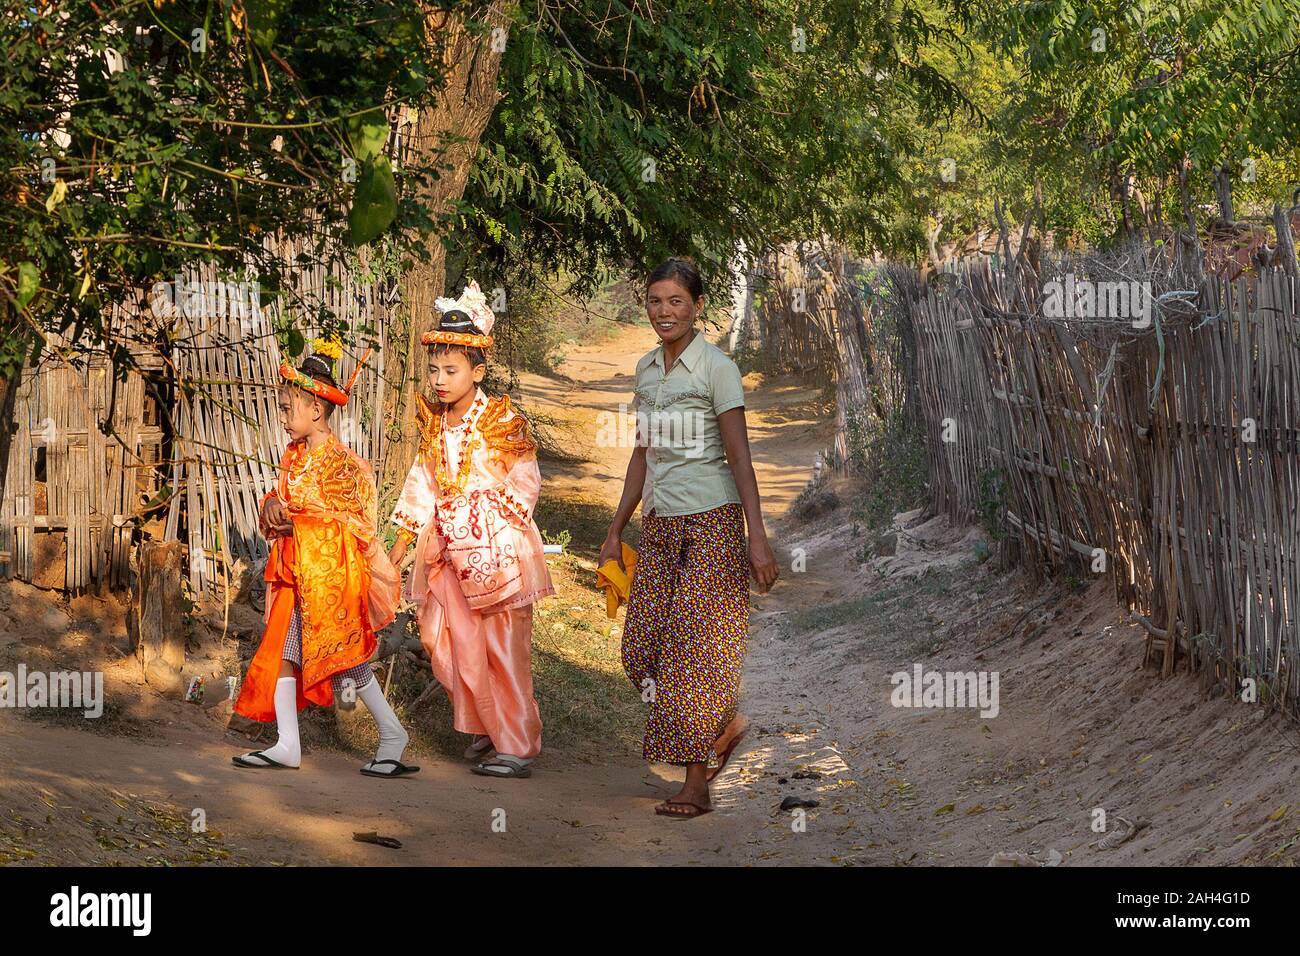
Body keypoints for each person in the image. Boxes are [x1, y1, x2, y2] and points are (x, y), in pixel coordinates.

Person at [599, 257, 779, 819]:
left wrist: (758, 536)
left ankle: (695, 782)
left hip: (714, 519)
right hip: (661, 524)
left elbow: (740, 460)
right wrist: (614, 530)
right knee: (640, 649)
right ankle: (722, 726)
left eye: (676, 301)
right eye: (655, 301)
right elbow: (640, 456)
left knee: (694, 653)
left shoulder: (717, 369)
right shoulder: (646, 371)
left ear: (697, 307)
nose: (664, 311)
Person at [388, 281, 555, 778]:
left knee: (503, 648)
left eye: (451, 370)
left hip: (497, 554)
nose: (440, 380)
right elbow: (422, 483)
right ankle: (487, 726)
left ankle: (517, 745)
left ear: (477, 372)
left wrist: (477, 518)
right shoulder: (434, 424)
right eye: (434, 369)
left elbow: (527, 482)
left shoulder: (501, 420)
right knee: (448, 640)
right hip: (445, 554)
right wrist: (398, 549)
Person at [232, 338, 414, 777]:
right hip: (298, 571)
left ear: (316, 409)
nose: (280, 416)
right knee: (288, 651)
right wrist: (272, 506)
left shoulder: (346, 467)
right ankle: (289, 744)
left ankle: (392, 733)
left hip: (332, 577)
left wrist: (297, 523)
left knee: (344, 657)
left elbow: (354, 526)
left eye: (286, 407)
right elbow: (285, 501)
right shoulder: (293, 456)